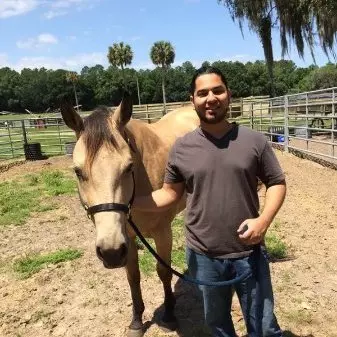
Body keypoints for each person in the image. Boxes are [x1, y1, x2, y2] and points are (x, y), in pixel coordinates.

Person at [133, 66, 286, 337]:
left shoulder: (254, 141)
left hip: (248, 251)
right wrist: (129, 201)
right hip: (203, 255)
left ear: (229, 95)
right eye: (202, 93)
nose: (210, 98)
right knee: (217, 325)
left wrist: (264, 220)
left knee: (264, 327)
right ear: (193, 100)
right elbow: (169, 193)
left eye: (217, 90)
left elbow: (276, 183)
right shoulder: (181, 148)